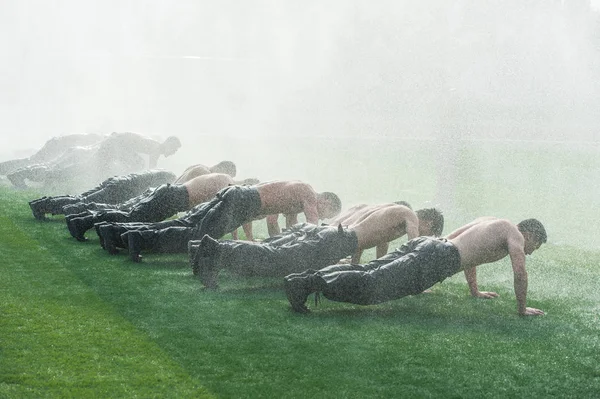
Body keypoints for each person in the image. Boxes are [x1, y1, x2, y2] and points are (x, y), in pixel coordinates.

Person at [284, 217, 547, 316]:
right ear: (531, 234)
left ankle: (304, 280)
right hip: (438, 257)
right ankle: (304, 284)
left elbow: (466, 251)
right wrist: (522, 309)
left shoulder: (492, 222)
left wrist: (474, 291)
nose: (531, 250)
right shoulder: (515, 234)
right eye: (537, 244)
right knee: (373, 286)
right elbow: (520, 272)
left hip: (428, 246)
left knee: (369, 272)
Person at [189, 204, 444, 289]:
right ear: (428, 222)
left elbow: (373, 239)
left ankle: (211, 254)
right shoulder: (409, 215)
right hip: (337, 239)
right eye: (430, 232)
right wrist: (415, 269)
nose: (426, 235)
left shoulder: (393, 212)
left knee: (279, 259)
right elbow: (414, 244)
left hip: (335, 237)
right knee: (277, 259)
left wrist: (355, 265)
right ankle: (215, 249)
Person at [105, 180, 342, 262]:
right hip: (243, 201)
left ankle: (117, 231)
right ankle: (136, 238)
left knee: (188, 224)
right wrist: (328, 238)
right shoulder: (308, 192)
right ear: (326, 201)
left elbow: (277, 224)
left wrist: (277, 247)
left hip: (236, 195)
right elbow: (311, 223)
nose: (324, 216)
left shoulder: (295, 199)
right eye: (327, 213)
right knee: (198, 236)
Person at [66, 173, 259, 242]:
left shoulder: (223, 178)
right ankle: (83, 222)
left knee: (130, 216)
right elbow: (223, 211)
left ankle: (86, 223)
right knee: (130, 217)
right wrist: (245, 238)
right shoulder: (228, 185)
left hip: (169, 194)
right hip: (172, 198)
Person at [28, 160, 238, 220]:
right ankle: (65, 210)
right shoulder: (204, 172)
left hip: (155, 192)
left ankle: (48, 205)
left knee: (110, 207)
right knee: (115, 210)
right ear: (223, 169)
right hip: (161, 196)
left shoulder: (198, 166)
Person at [7, 132, 181, 189]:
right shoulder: (155, 148)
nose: (173, 153)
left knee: (90, 171)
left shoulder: (153, 145)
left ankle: (40, 176)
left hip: (111, 147)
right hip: (110, 147)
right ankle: (24, 174)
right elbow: (149, 172)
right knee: (81, 168)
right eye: (174, 149)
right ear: (168, 144)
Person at [28, 169, 177, 220]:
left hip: (116, 181)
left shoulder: (160, 172)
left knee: (80, 198)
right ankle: (42, 206)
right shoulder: (167, 180)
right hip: (118, 187)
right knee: (83, 202)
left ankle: (42, 204)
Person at [0, 133, 104, 176]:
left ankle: (7, 171)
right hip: (56, 144)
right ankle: (8, 172)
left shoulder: (95, 138)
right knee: (32, 161)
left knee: (31, 161)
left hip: (55, 143)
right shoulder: (99, 140)